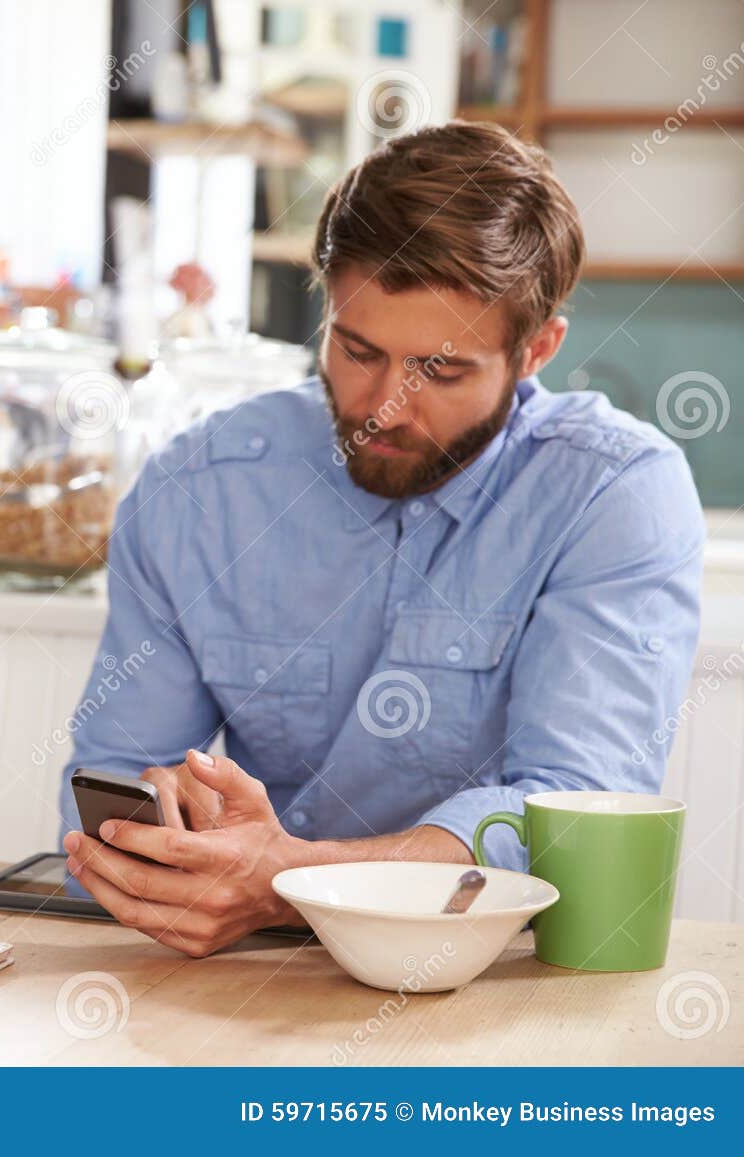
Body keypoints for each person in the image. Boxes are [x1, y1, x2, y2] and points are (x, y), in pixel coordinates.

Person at [60, 121, 704, 958]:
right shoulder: (199, 489)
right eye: (357, 349)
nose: (384, 407)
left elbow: (576, 814)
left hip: (499, 983)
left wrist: (290, 881)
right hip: (248, 976)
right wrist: (171, 837)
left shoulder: (615, 495)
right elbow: (113, 779)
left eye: (440, 370)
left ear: (536, 350)